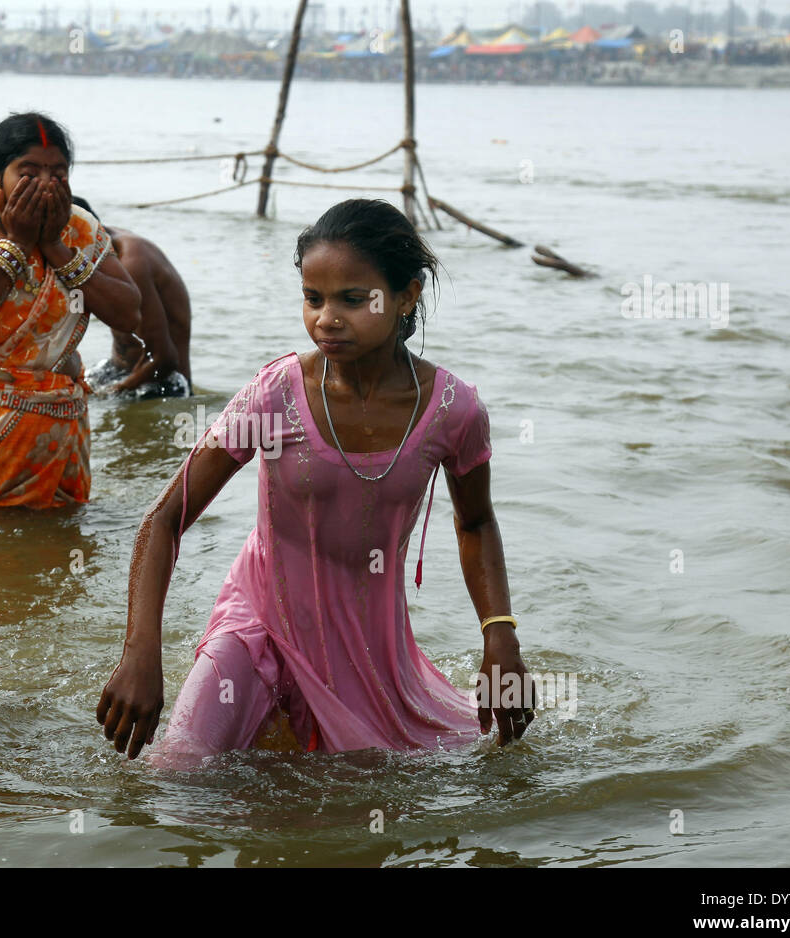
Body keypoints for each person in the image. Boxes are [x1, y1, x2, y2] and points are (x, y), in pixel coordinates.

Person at [97, 198, 536, 760]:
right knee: (181, 772)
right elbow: (165, 519)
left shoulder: (455, 411)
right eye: (313, 298)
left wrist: (500, 635)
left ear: (406, 296)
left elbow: (476, 523)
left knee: (367, 799)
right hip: (254, 624)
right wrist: (140, 653)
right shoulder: (276, 393)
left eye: (353, 300)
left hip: (368, 653)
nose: (326, 318)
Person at [0, 112, 141, 508]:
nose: (45, 183)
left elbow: (129, 314)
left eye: (58, 172)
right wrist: (19, 245)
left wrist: (56, 247)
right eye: (29, 171)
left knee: (60, 544)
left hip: (58, 432)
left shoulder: (82, 230)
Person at [72, 196, 192, 399]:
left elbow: (164, 359)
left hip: (161, 385)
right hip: (120, 371)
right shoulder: (103, 242)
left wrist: (111, 392)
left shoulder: (131, 265)